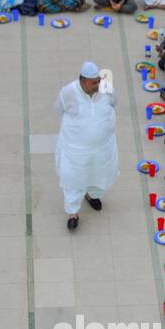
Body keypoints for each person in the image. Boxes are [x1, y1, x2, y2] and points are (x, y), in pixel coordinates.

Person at [54, 62, 117, 231]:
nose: (97, 85)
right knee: (73, 180)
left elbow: (113, 103)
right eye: (93, 82)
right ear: (82, 80)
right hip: (75, 150)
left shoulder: (107, 88)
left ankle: (91, 195)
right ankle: (73, 213)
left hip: (102, 148)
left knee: (97, 174)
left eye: (98, 81)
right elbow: (59, 109)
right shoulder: (68, 92)